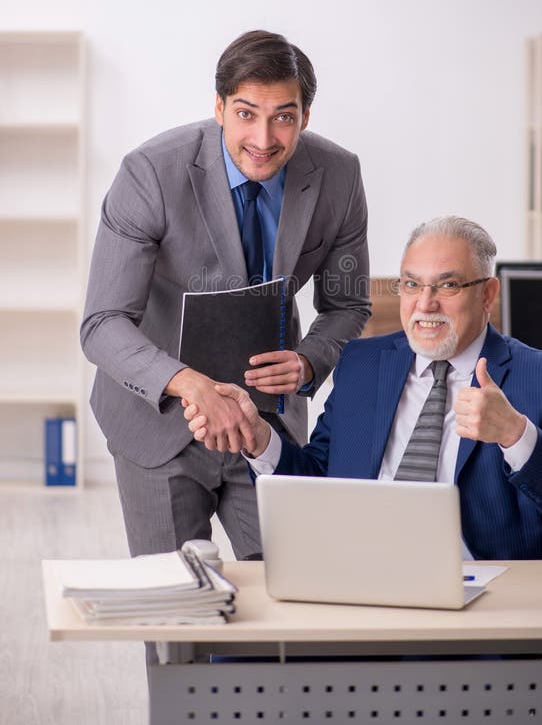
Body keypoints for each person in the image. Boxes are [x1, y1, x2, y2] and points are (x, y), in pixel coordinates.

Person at [81, 29, 370, 566]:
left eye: (283, 116)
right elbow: (102, 322)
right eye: (245, 113)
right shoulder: (150, 173)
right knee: (176, 622)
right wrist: (192, 386)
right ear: (218, 107)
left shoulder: (340, 176)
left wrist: (309, 361)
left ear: (305, 116)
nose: (263, 137)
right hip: (158, 423)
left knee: (293, 598)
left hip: (268, 425)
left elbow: (348, 304)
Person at [185, 215, 542, 560]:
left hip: (488, 601)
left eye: (448, 285)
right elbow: (320, 481)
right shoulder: (363, 364)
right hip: (365, 583)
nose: (425, 303)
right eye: (412, 284)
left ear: (488, 294)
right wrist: (260, 439)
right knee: (235, 651)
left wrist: (516, 435)